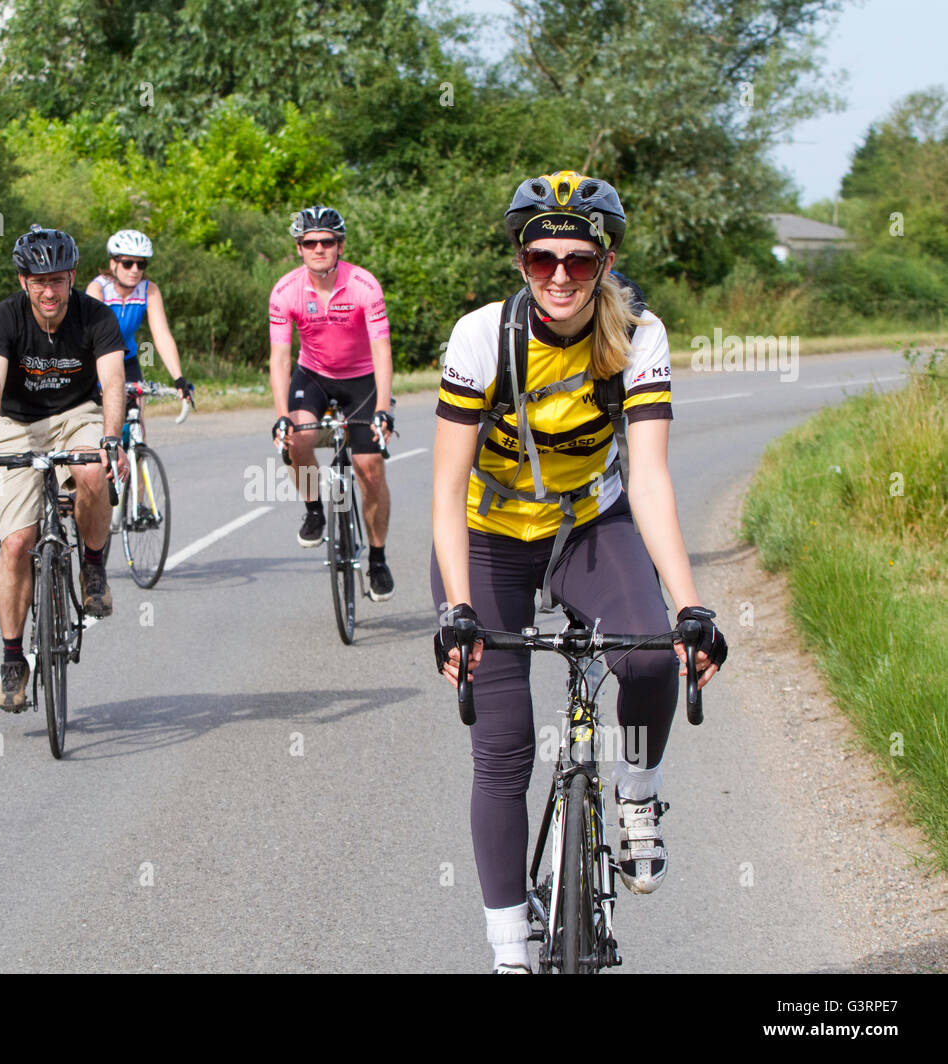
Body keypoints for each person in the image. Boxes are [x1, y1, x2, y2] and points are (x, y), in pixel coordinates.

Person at [430, 171, 728, 972]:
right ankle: (509, 948)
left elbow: (653, 479)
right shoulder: (481, 337)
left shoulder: (638, 336)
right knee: (505, 745)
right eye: (540, 258)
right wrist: (458, 608)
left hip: (585, 525)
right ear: (520, 262)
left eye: (578, 259)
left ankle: (637, 789)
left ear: (605, 261)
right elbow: (446, 486)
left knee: (648, 656)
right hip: (487, 536)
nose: (559, 275)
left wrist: (692, 607)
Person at [0, 224, 129, 710]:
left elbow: (113, 380)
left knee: (94, 473)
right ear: (23, 282)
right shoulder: (3, 319)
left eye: (58, 279)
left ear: (73, 277)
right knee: (16, 543)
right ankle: (13, 659)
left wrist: (110, 439)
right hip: (17, 423)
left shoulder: (95, 316)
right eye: (39, 281)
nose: (50, 290)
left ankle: (94, 568)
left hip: (78, 415)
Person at [268, 206, 397, 600]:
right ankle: (314, 509)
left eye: (327, 241)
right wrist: (281, 418)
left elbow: (381, 351)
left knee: (369, 467)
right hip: (314, 376)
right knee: (298, 442)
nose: (319, 248)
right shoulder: (286, 291)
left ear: (340, 245)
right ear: (299, 248)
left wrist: (382, 408)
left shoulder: (364, 285)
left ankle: (377, 558)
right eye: (311, 243)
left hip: (361, 379)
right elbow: (279, 359)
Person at [85, 230, 192, 411]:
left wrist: (179, 379)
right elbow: (91, 336)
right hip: (98, 359)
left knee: (137, 416)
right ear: (113, 264)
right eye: (127, 263)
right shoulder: (98, 289)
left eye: (141, 264)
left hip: (128, 359)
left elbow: (161, 335)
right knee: (104, 419)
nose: (135, 270)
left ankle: (136, 438)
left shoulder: (149, 290)